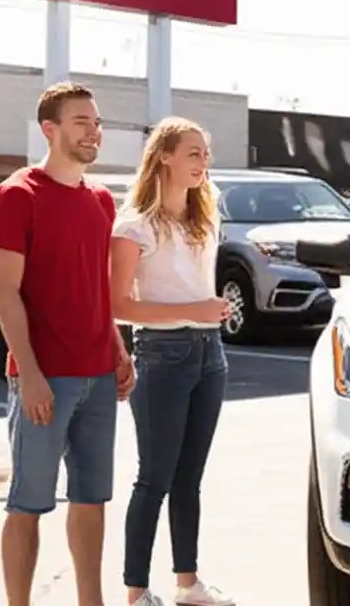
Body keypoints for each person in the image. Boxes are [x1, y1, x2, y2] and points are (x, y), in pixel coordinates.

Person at [0, 81, 135, 606]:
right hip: (44, 377)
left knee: (92, 499)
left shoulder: (99, 200)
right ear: (50, 130)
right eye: (81, 122)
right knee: (27, 503)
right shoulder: (16, 196)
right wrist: (28, 373)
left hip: (98, 374)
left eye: (96, 122)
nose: (93, 131)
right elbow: (4, 292)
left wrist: (117, 347)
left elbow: (95, 284)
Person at [110, 117, 234, 606]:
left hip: (210, 354)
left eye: (205, 154)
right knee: (154, 478)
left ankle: (188, 584)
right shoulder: (133, 225)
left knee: (190, 479)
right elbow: (119, 305)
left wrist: (211, 310)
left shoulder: (207, 215)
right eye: (193, 153)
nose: (203, 163)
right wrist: (194, 311)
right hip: (163, 356)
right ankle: (136, 592)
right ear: (164, 155)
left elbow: (194, 286)